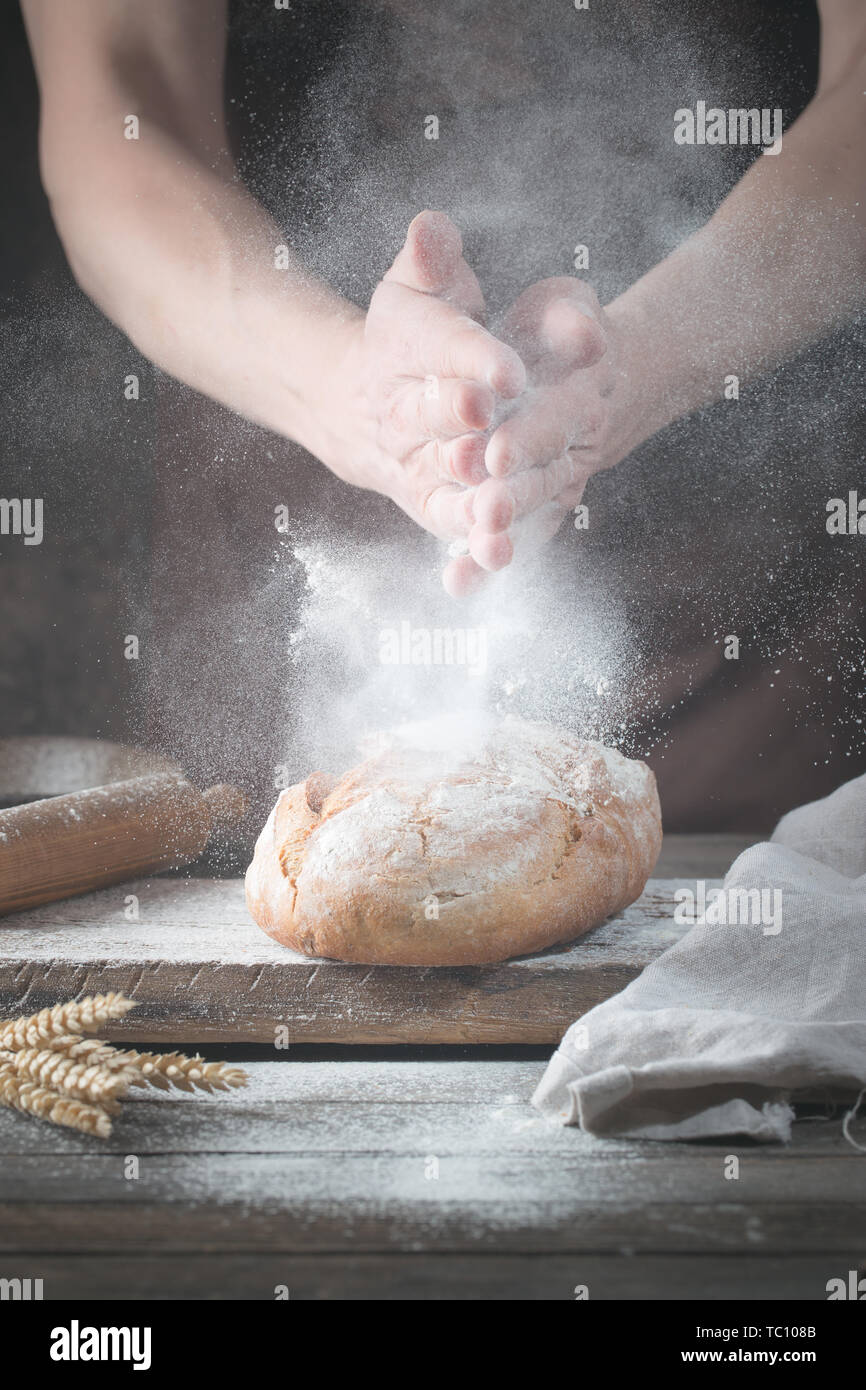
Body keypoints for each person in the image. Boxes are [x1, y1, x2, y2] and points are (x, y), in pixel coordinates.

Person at [19, 0, 866, 828]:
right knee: (300, 890)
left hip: (741, 614)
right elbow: (122, 111)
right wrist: (352, 391)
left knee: (745, 932)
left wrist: (633, 362)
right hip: (277, 471)